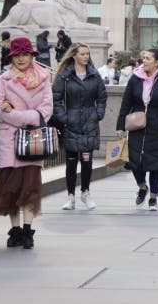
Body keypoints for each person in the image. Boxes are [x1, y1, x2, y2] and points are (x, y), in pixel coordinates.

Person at [0, 36, 53, 249]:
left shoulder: (43, 78)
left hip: (33, 139)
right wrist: (22, 116)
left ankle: (27, 231)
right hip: (10, 139)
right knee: (11, 189)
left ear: (32, 56)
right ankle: (15, 230)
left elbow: (47, 110)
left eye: (25, 54)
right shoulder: (3, 79)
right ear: (12, 57)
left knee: (31, 188)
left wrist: (18, 115)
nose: (22, 59)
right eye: (18, 55)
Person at [116, 49, 158, 211]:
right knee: (135, 162)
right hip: (137, 125)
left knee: (156, 163)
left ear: (157, 62)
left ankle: (153, 197)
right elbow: (126, 103)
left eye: (148, 58)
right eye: (143, 58)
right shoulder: (135, 78)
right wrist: (120, 126)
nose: (144, 61)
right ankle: (142, 187)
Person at [52, 43, 107, 211]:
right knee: (70, 162)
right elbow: (55, 98)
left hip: (89, 123)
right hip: (71, 123)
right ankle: (70, 197)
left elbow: (102, 97)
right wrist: (64, 117)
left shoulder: (94, 74)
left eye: (88, 54)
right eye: (82, 54)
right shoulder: (65, 75)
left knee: (87, 160)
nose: (86, 57)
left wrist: (98, 114)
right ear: (74, 55)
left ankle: (85, 192)